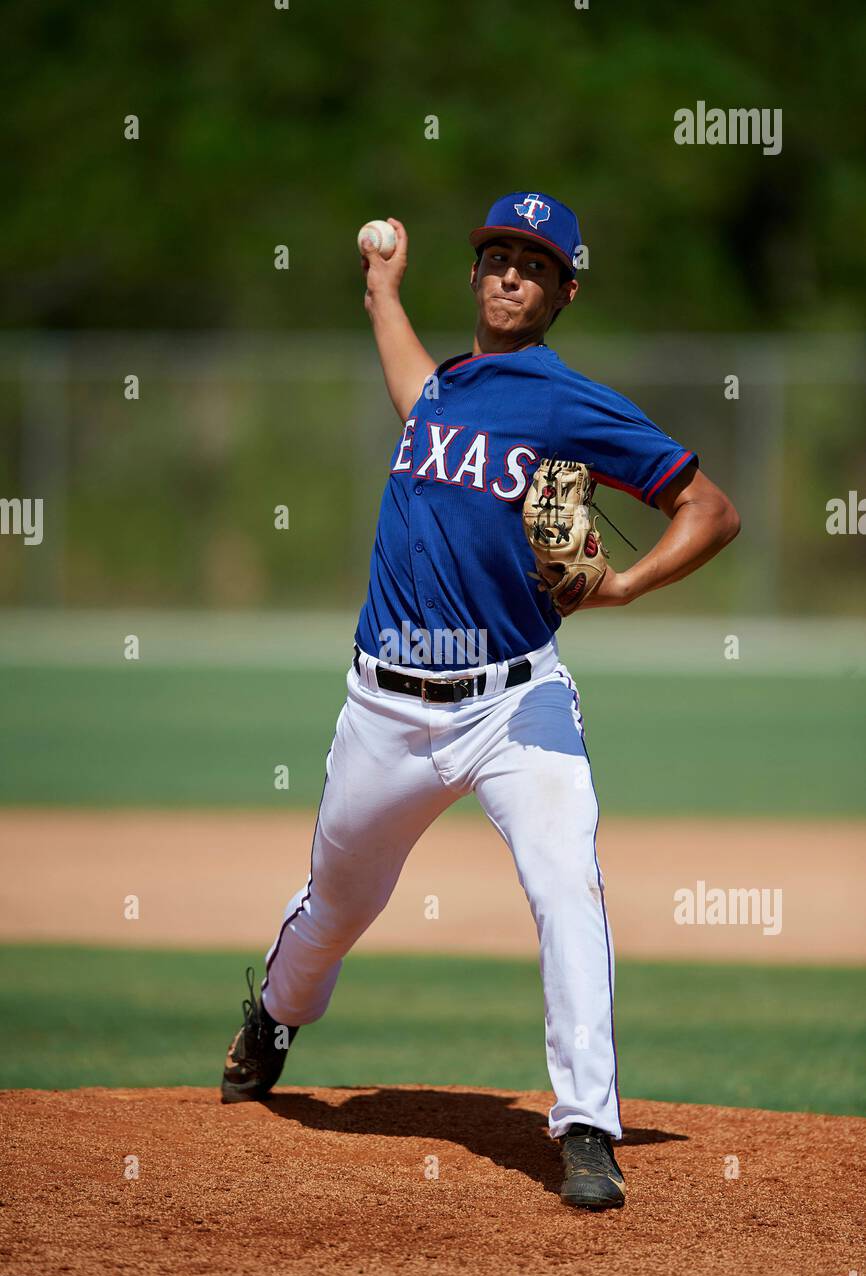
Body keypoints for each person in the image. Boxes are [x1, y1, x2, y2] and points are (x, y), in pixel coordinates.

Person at [221, 191, 740, 1209]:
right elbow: (414, 386)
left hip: (514, 704)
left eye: (534, 264)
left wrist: (625, 584)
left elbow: (706, 509)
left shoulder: (567, 401)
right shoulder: (449, 389)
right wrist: (379, 289)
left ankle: (584, 1124)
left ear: (563, 290)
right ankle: (276, 1015)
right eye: (498, 255)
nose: (512, 273)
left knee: (567, 891)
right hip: (383, 708)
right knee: (336, 904)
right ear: (475, 275)